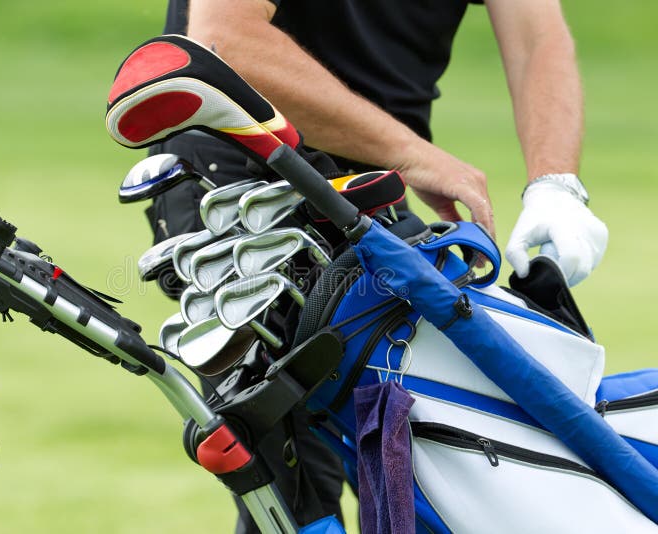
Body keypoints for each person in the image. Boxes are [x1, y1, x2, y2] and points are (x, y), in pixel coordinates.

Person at [145, 0, 609, 530]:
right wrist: (411, 155)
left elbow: (537, 37)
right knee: (297, 500)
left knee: (437, 471)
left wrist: (555, 184)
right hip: (241, 184)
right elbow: (226, 41)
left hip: (373, 190)